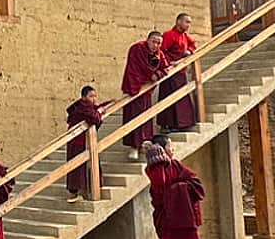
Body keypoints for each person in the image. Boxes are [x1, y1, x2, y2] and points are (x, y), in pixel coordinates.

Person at [143, 135, 219, 239]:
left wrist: (180, 188)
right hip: (168, 219)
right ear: (161, 150)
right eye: (170, 146)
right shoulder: (154, 169)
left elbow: (195, 182)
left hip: (184, 217)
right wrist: (156, 156)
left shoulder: (177, 165)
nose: (173, 149)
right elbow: (160, 182)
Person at [121, 31, 169, 161]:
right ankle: (134, 146)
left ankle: (144, 144)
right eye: (153, 41)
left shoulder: (159, 54)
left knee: (146, 118)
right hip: (135, 87)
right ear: (147, 40)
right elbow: (134, 68)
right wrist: (150, 76)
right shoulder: (137, 48)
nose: (156, 45)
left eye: (159, 43)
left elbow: (166, 68)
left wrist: (157, 75)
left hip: (146, 91)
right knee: (134, 117)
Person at [65, 86, 113, 203]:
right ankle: (77, 192)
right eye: (91, 96)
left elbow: (94, 109)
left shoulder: (84, 106)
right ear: (83, 97)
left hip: (80, 141)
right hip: (79, 142)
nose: (94, 99)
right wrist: (100, 112)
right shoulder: (82, 106)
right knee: (78, 167)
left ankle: (81, 191)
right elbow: (94, 118)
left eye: (95, 96)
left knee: (83, 166)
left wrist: (109, 103)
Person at [157, 13, 198, 132]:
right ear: (179, 21)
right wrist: (169, 63)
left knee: (181, 97)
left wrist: (189, 51)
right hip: (170, 71)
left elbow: (193, 44)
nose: (188, 25)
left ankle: (183, 124)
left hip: (181, 70)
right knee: (168, 97)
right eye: (187, 22)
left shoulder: (185, 36)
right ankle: (167, 125)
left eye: (189, 22)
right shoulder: (169, 35)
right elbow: (161, 52)